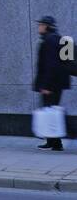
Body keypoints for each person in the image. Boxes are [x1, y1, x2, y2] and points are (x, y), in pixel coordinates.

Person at [34, 14, 71, 152]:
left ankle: (57, 142)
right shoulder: (57, 38)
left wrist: (46, 86)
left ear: (47, 26)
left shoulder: (49, 40)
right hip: (58, 83)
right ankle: (52, 141)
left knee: (50, 109)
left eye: (41, 24)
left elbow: (50, 65)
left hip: (52, 84)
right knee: (50, 110)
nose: (39, 27)